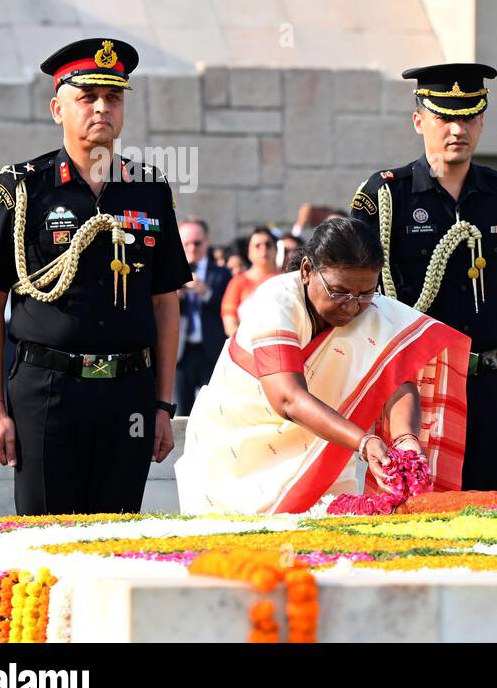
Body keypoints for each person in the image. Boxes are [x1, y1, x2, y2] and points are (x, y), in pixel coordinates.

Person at [0, 38, 189, 515]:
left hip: (128, 391)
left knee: (117, 536)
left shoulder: (150, 188)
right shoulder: (20, 188)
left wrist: (162, 406)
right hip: (48, 388)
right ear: (57, 108)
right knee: (48, 538)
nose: (101, 108)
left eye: (112, 97)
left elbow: (165, 303)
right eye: (86, 97)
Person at [175, 218, 470, 514]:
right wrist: (364, 441)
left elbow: (396, 377)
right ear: (306, 270)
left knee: (325, 546)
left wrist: (406, 439)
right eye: (339, 292)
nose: (352, 306)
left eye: (365, 293)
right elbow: (288, 398)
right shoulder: (274, 301)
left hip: (321, 451)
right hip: (237, 449)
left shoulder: (373, 309)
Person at [348, 63, 497, 491]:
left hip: (485, 390)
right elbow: (357, 309)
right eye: (444, 117)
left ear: (483, 121)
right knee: (405, 515)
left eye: (469, 116)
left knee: (480, 518)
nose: (457, 129)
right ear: (419, 121)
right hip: (413, 394)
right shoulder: (383, 196)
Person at [175, 218, 232, 416]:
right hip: (180, 351)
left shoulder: (222, 273)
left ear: (207, 242)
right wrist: (176, 298)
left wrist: (205, 292)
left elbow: (228, 308)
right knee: (180, 411)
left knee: (215, 411)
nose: (192, 248)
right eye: (186, 244)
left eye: (197, 243)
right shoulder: (171, 273)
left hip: (211, 349)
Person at [220, 227, 281, 336]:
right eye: (258, 246)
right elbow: (229, 321)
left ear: (276, 250)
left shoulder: (285, 279)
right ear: (249, 252)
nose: (264, 250)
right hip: (246, 346)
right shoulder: (238, 282)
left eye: (268, 245)